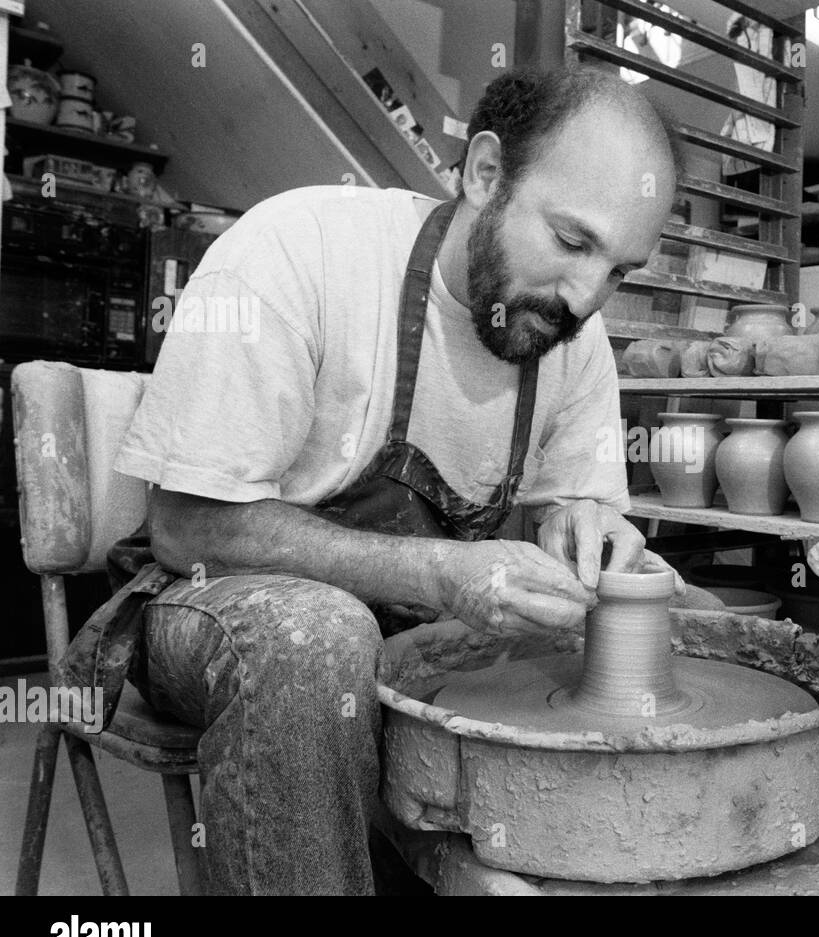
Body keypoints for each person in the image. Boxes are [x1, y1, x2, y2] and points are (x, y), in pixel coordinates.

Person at [69, 66, 683, 894]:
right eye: (573, 242)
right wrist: (439, 570)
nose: (586, 296)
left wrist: (588, 533)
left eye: (621, 271)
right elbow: (187, 526)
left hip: (412, 627)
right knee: (316, 639)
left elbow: (576, 508)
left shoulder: (574, 335)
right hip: (218, 605)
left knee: (676, 625)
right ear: (485, 172)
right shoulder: (299, 250)